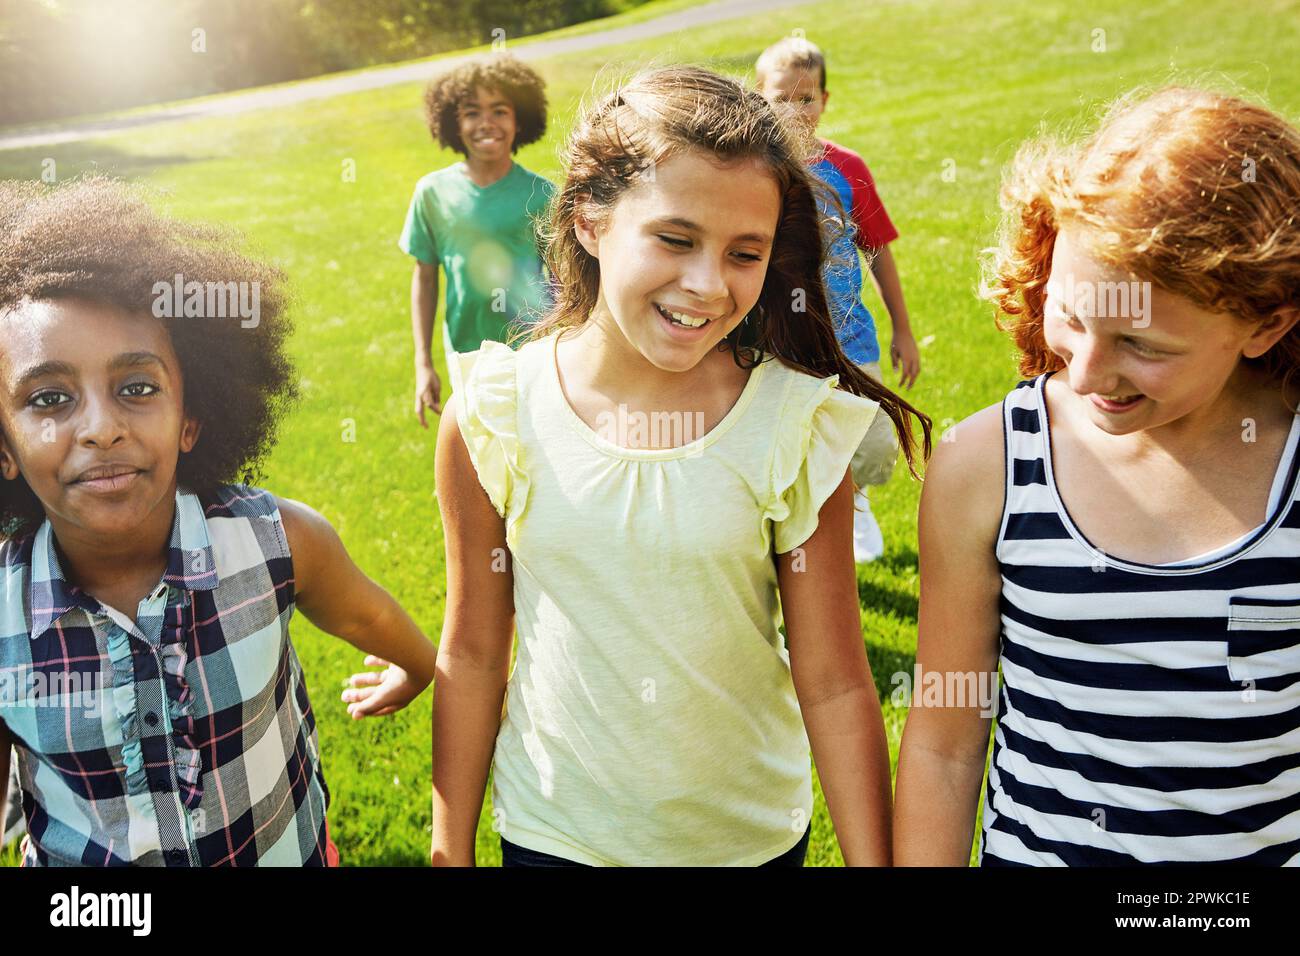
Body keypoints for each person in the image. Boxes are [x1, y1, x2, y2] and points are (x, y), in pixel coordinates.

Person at [426, 66, 930, 867]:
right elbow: (474, 652)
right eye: (675, 237)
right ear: (589, 219)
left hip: (747, 843)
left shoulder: (792, 426)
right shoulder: (494, 412)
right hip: (553, 838)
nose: (707, 284)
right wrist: (448, 853)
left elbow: (834, 680)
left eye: (744, 252)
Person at [894, 87, 1300, 865]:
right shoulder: (989, 467)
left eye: (1143, 345)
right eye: (1070, 316)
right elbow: (945, 746)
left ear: (1266, 322)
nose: (1084, 372)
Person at [0, 177, 438, 866]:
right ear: (4, 446)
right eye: (49, 397)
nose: (101, 428)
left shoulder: (277, 542)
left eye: (136, 388)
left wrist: (416, 668)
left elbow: (370, 618)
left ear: (192, 419)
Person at [756, 36, 920, 563]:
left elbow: (877, 250)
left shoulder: (848, 169)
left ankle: (858, 500)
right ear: (760, 98)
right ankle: (800, 532)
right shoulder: (755, 171)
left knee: (870, 444)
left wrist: (903, 328)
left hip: (851, 338)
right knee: (795, 447)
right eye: (781, 98)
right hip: (782, 340)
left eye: (806, 99)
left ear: (825, 101)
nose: (794, 110)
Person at [401, 53, 555, 427]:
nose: (486, 123)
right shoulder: (432, 193)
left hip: (532, 352)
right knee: (479, 455)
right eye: (472, 112)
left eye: (499, 110)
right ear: (453, 123)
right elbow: (424, 277)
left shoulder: (543, 194)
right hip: (466, 355)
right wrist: (424, 362)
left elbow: (564, 278)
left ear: (520, 120)